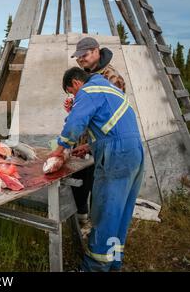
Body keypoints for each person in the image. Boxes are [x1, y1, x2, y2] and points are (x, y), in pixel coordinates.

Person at [50, 67, 144, 272]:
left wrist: (59, 150)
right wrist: (90, 146)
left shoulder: (87, 90)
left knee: (105, 212)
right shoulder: (109, 88)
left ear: (75, 83)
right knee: (121, 212)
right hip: (134, 151)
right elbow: (114, 127)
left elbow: (75, 124)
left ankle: (94, 267)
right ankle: (113, 262)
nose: (73, 96)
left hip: (117, 155)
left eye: (71, 92)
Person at [66, 37, 127, 226]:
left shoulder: (112, 78)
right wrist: (73, 108)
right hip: (85, 140)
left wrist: (90, 144)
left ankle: (98, 226)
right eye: (78, 57)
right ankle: (81, 217)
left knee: (99, 183)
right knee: (78, 177)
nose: (81, 60)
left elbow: (112, 115)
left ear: (96, 51)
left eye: (84, 55)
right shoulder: (86, 76)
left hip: (103, 142)